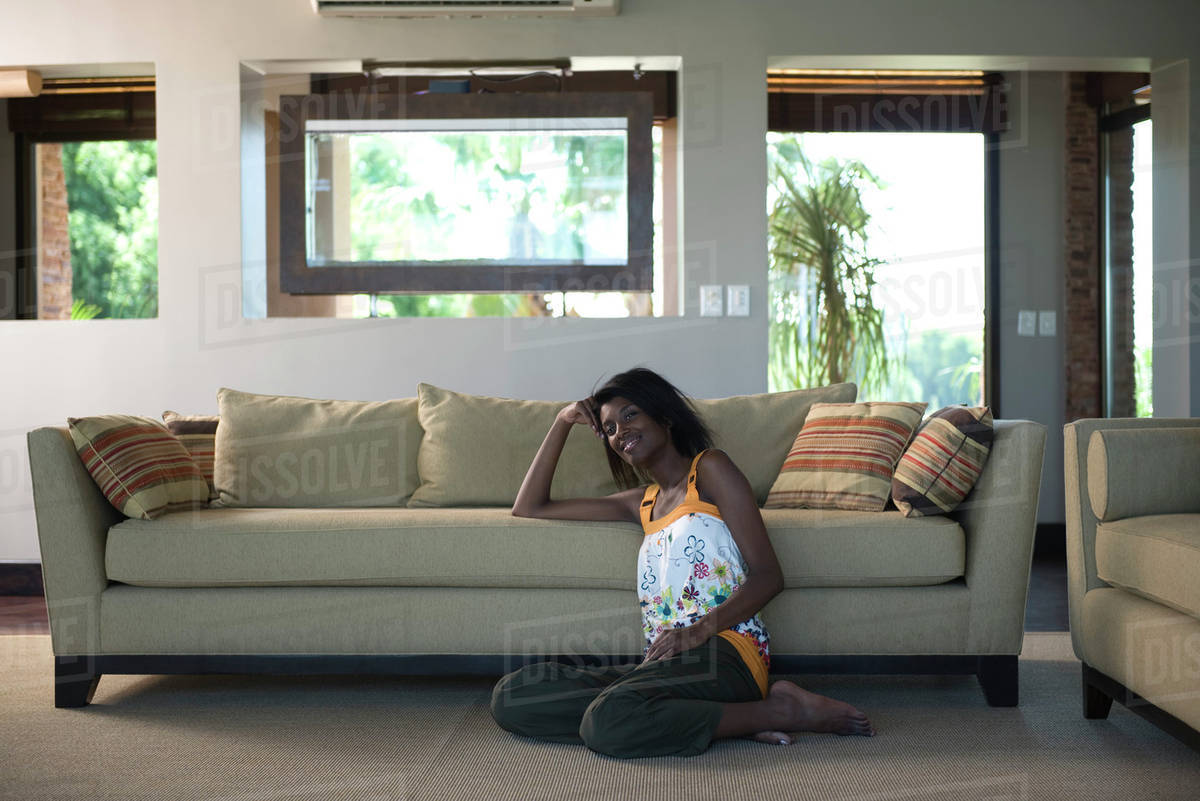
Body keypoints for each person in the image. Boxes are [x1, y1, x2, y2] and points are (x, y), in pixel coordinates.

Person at [489, 367, 875, 758]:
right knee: (514, 695)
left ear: (665, 417)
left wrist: (695, 633)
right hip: (663, 663)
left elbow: (769, 576)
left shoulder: (710, 470)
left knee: (606, 722)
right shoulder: (640, 503)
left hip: (726, 653)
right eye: (608, 429)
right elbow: (530, 506)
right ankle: (723, 719)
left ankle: (780, 710)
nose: (619, 432)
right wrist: (562, 421)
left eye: (629, 415)